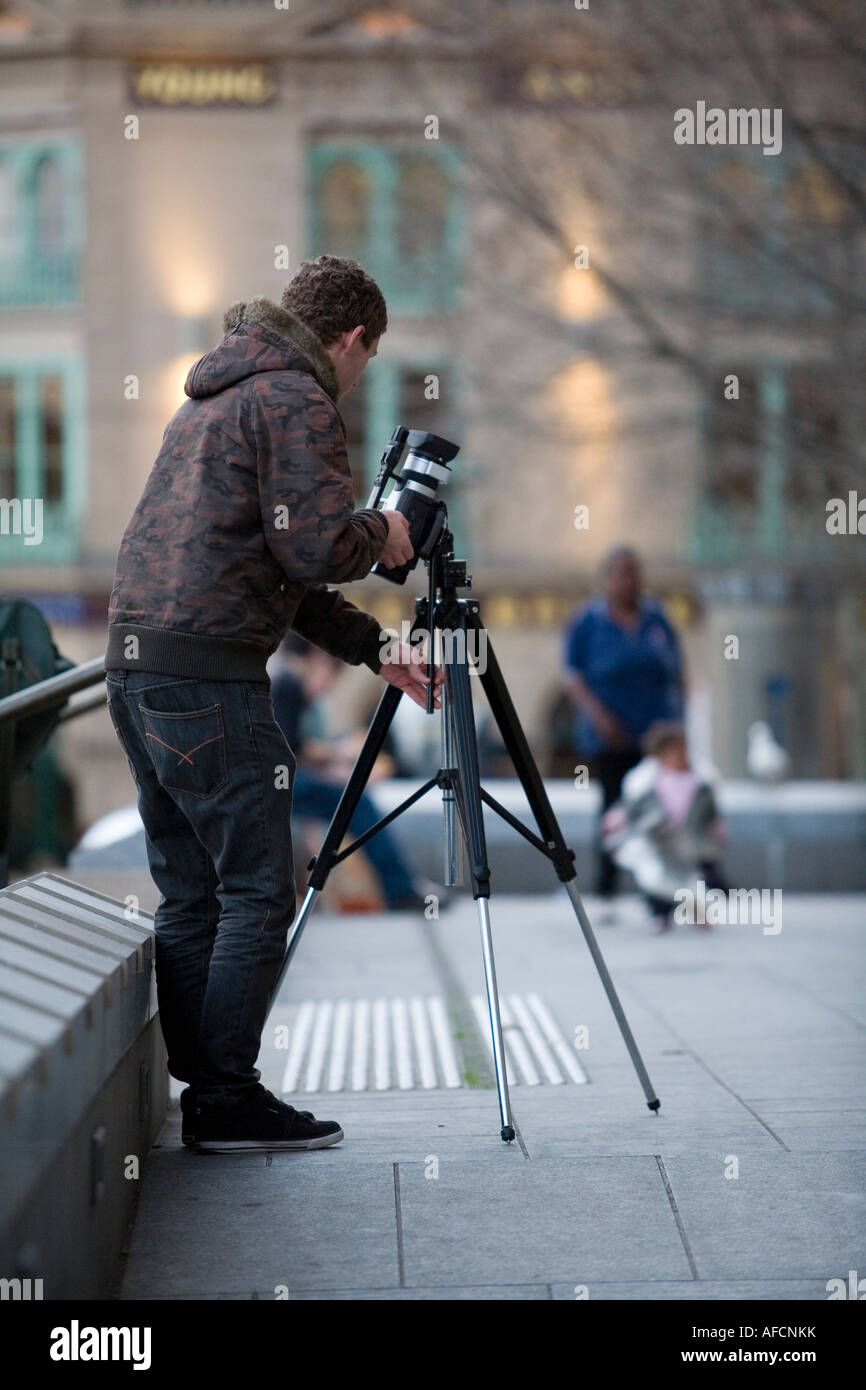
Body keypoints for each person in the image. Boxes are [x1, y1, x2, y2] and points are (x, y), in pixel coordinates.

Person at [104, 255, 443, 1153]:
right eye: (365, 362)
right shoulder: (295, 397)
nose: (358, 379)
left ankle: (203, 1093)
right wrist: (388, 533)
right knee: (262, 884)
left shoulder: (211, 398)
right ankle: (225, 1097)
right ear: (354, 338)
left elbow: (274, 567)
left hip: (136, 669)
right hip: (209, 678)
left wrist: (378, 651)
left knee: (192, 889)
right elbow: (322, 544)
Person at [270, 633, 440, 912]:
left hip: (279, 780)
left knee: (352, 799)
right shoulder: (287, 681)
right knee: (356, 801)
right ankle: (400, 889)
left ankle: (401, 887)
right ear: (318, 658)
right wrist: (343, 753)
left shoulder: (283, 678)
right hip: (279, 783)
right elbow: (291, 746)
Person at [562, 546, 684, 900]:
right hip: (611, 733)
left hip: (654, 733)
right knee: (614, 808)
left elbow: (675, 671)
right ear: (606, 579)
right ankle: (607, 885)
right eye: (618, 573)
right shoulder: (588, 622)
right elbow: (573, 675)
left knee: (660, 807)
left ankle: (662, 887)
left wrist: (675, 728)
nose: (625, 581)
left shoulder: (657, 619)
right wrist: (599, 717)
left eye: (632, 572)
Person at [601, 722, 726, 932]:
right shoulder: (647, 781)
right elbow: (631, 806)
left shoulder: (699, 780)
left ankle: (697, 909)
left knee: (696, 877)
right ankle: (660, 914)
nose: (680, 757)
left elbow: (710, 809)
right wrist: (617, 818)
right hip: (659, 838)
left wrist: (717, 826)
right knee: (657, 880)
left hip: (691, 837)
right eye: (674, 753)